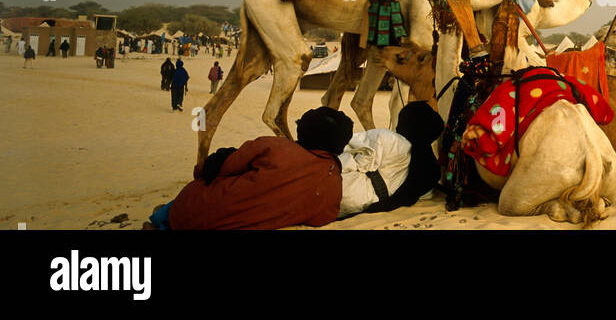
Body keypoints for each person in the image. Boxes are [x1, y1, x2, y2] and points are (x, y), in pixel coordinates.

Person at [152, 107, 353, 230]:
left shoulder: (275, 146)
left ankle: (160, 219)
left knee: (187, 199)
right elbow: (323, 217)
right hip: (234, 221)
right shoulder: (333, 184)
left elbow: (213, 169)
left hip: (190, 212)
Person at [337, 102, 445, 218]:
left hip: (336, 185)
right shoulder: (429, 171)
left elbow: (345, 148)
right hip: (353, 204)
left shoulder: (390, 139)